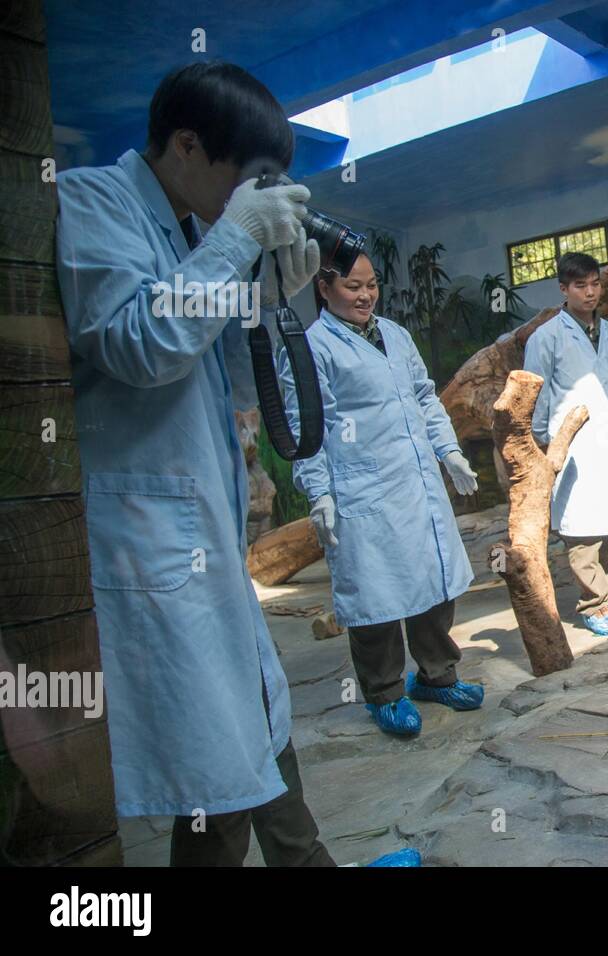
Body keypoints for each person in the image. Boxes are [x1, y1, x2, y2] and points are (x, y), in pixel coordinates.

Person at [55, 61, 413, 866]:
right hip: (142, 538)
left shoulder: (194, 235)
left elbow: (242, 385)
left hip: (198, 538)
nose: (255, 199)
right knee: (214, 750)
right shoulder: (89, 202)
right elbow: (136, 345)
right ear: (186, 144)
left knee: (240, 726)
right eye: (250, 180)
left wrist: (274, 298)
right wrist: (234, 243)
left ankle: (304, 860)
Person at [278, 254, 483, 735]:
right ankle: (384, 692)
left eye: (371, 285)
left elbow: (425, 396)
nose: (366, 295)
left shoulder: (395, 334)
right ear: (324, 287)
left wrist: (448, 451)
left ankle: (437, 676)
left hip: (415, 483)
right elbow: (305, 426)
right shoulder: (309, 348)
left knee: (434, 584)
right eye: (353, 286)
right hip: (361, 487)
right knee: (376, 597)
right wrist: (319, 494)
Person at [522, 252, 608, 636]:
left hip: (607, 438)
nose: (590, 292)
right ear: (564, 289)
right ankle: (592, 604)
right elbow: (535, 392)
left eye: (595, 284)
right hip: (570, 444)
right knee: (582, 529)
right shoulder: (546, 337)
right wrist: (544, 444)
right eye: (580, 286)